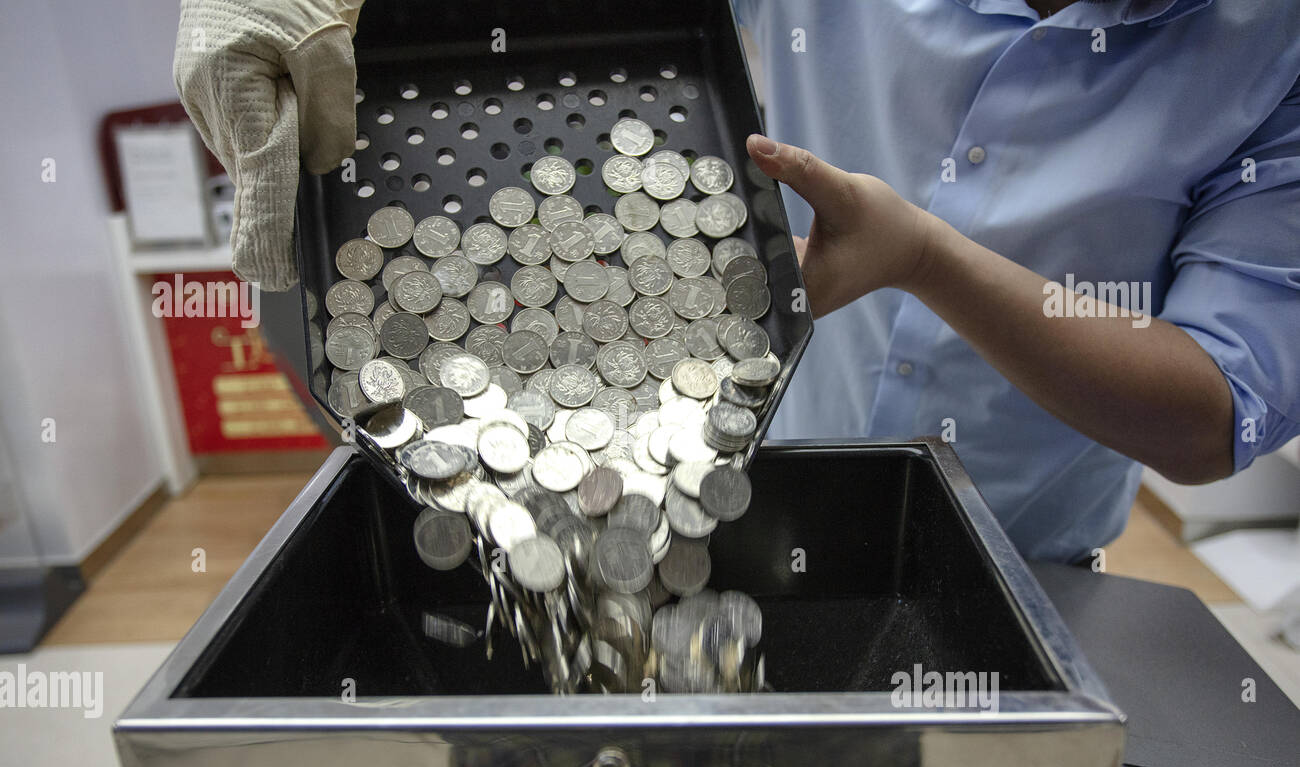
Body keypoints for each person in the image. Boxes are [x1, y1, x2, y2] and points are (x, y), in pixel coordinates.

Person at [174, 0, 1300, 563]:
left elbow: (1211, 409)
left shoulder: (1276, 52)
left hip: (1022, 568)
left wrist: (926, 260)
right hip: (717, 501)